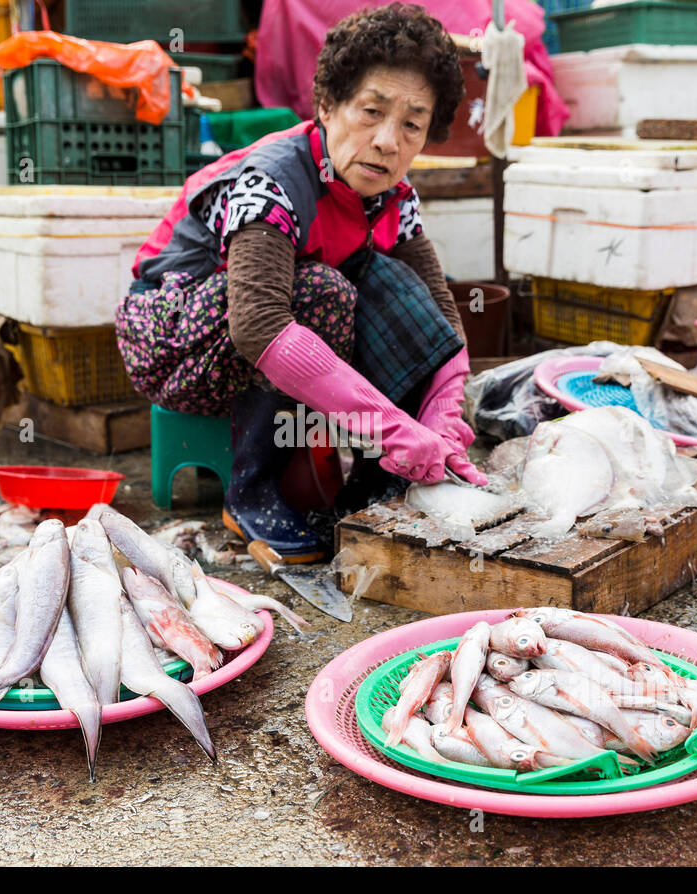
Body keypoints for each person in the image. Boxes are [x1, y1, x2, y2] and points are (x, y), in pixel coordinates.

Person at [115, 2, 487, 563]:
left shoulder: (392, 196)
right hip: (171, 339)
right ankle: (251, 492)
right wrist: (390, 428)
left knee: (392, 287)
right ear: (328, 106)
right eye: (371, 112)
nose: (388, 140)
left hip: (263, 333)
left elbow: (437, 313)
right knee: (323, 291)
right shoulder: (270, 181)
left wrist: (443, 413)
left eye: (411, 123)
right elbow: (260, 326)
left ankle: (370, 481)